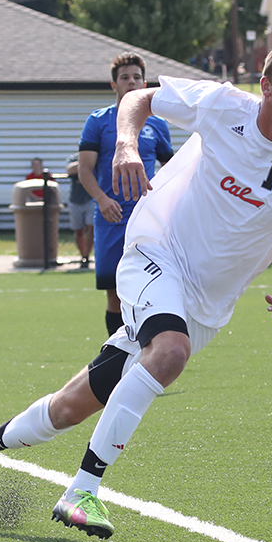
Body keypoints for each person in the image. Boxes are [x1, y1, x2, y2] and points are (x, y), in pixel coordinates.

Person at [0, 35, 272, 540]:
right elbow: (139, 98)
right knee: (171, 352)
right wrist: (126, 144)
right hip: (156, 248)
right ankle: (83, 489)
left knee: (68, 409)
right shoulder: (223, 105)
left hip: (207, 304)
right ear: (266, 86)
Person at [78, 52, 174, 335]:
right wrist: (102, 199)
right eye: (124, 78)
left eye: (136, 77)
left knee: (150, 287)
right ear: (114, 85)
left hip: (147, 219)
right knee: (114, 293)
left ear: (145, 84)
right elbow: (84, 170)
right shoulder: (98, 121)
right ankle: (118, 351)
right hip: (111, 217)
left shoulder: (157, 124)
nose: (131, 82)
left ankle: (148, 347)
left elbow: (170, 168)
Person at [65, 152, 95, 269]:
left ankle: (86, 256)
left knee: (91, 228)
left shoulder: (94, 155)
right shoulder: (73, 158)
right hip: (75, 200)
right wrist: (85, 163)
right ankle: (82, 255)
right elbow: (70, 169)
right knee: (79, 230)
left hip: (90, 198)